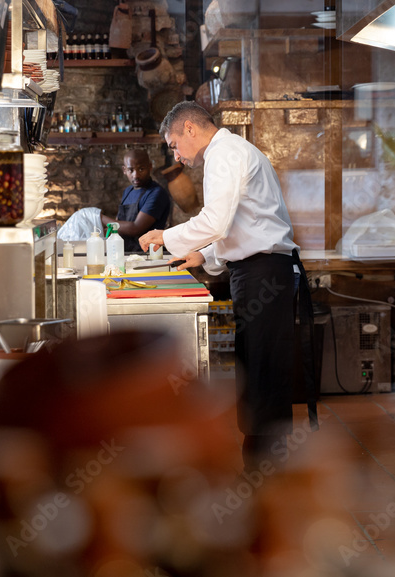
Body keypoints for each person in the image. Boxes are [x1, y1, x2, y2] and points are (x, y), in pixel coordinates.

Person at [139, 101, 316, 467]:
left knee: (265, 369)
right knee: (256, 367)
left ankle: (267, 467)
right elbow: (241, 224)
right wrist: (205, 257)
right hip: (258, 271)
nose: (175, 153)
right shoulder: (231, 152)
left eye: (173, 143)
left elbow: (216, 221)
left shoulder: (225, 153)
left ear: (190, 129)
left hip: (264, 273)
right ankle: (262, 460)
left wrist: (165, 236)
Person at [100, 148, 171, 253]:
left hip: (148, 255)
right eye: (131, 170)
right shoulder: (128, 191)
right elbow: (119, 223)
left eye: (141, 169)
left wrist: (99, 217)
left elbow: (136, 228)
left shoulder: (156, 193)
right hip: (126, 252)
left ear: (150, 167)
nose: (136, 175)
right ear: (124, 170)